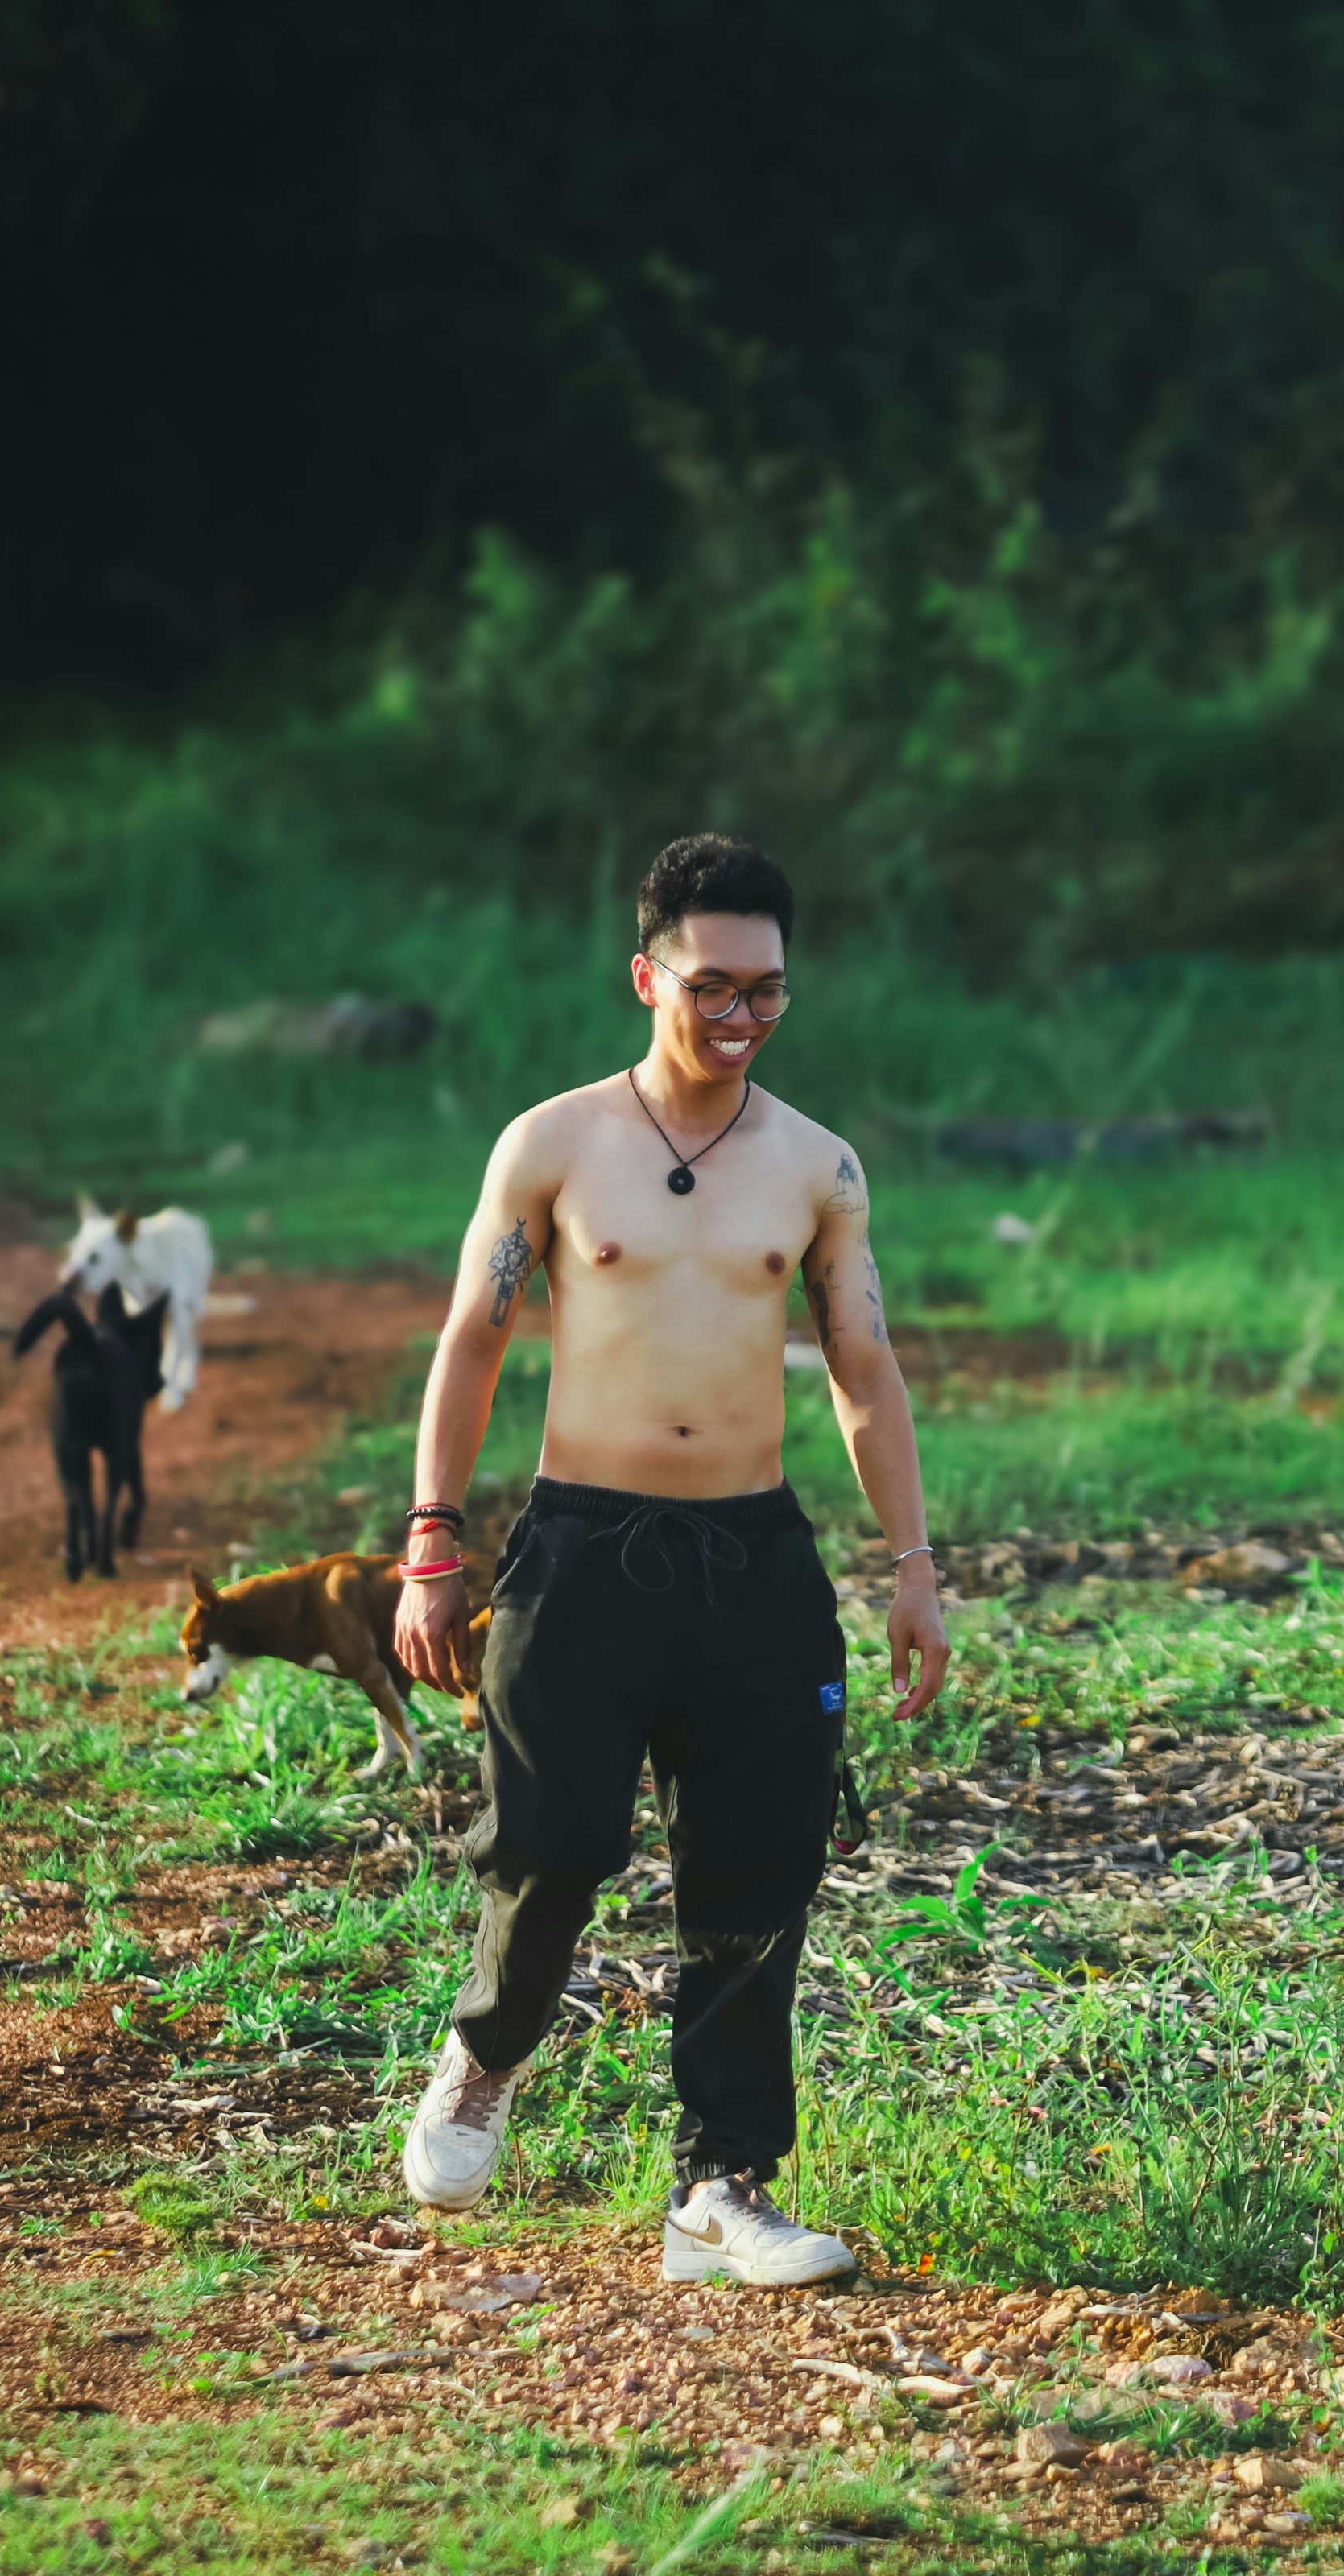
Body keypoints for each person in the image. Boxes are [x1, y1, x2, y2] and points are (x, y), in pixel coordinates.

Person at [387, 832, 949, 2285]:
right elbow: (472, 1338)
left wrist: (911, 1564)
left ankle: (722, 2187)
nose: (741, 1015)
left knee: (758, 1872)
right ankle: (488, 2051)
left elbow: (865, 1369)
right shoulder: (554, 1145)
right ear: (648, 977)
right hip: (583, 1550)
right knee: (552, 1843)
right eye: (712, 985)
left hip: (753, 1558)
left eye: (767, 990)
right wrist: (432, 1542)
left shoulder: (819, 1166)